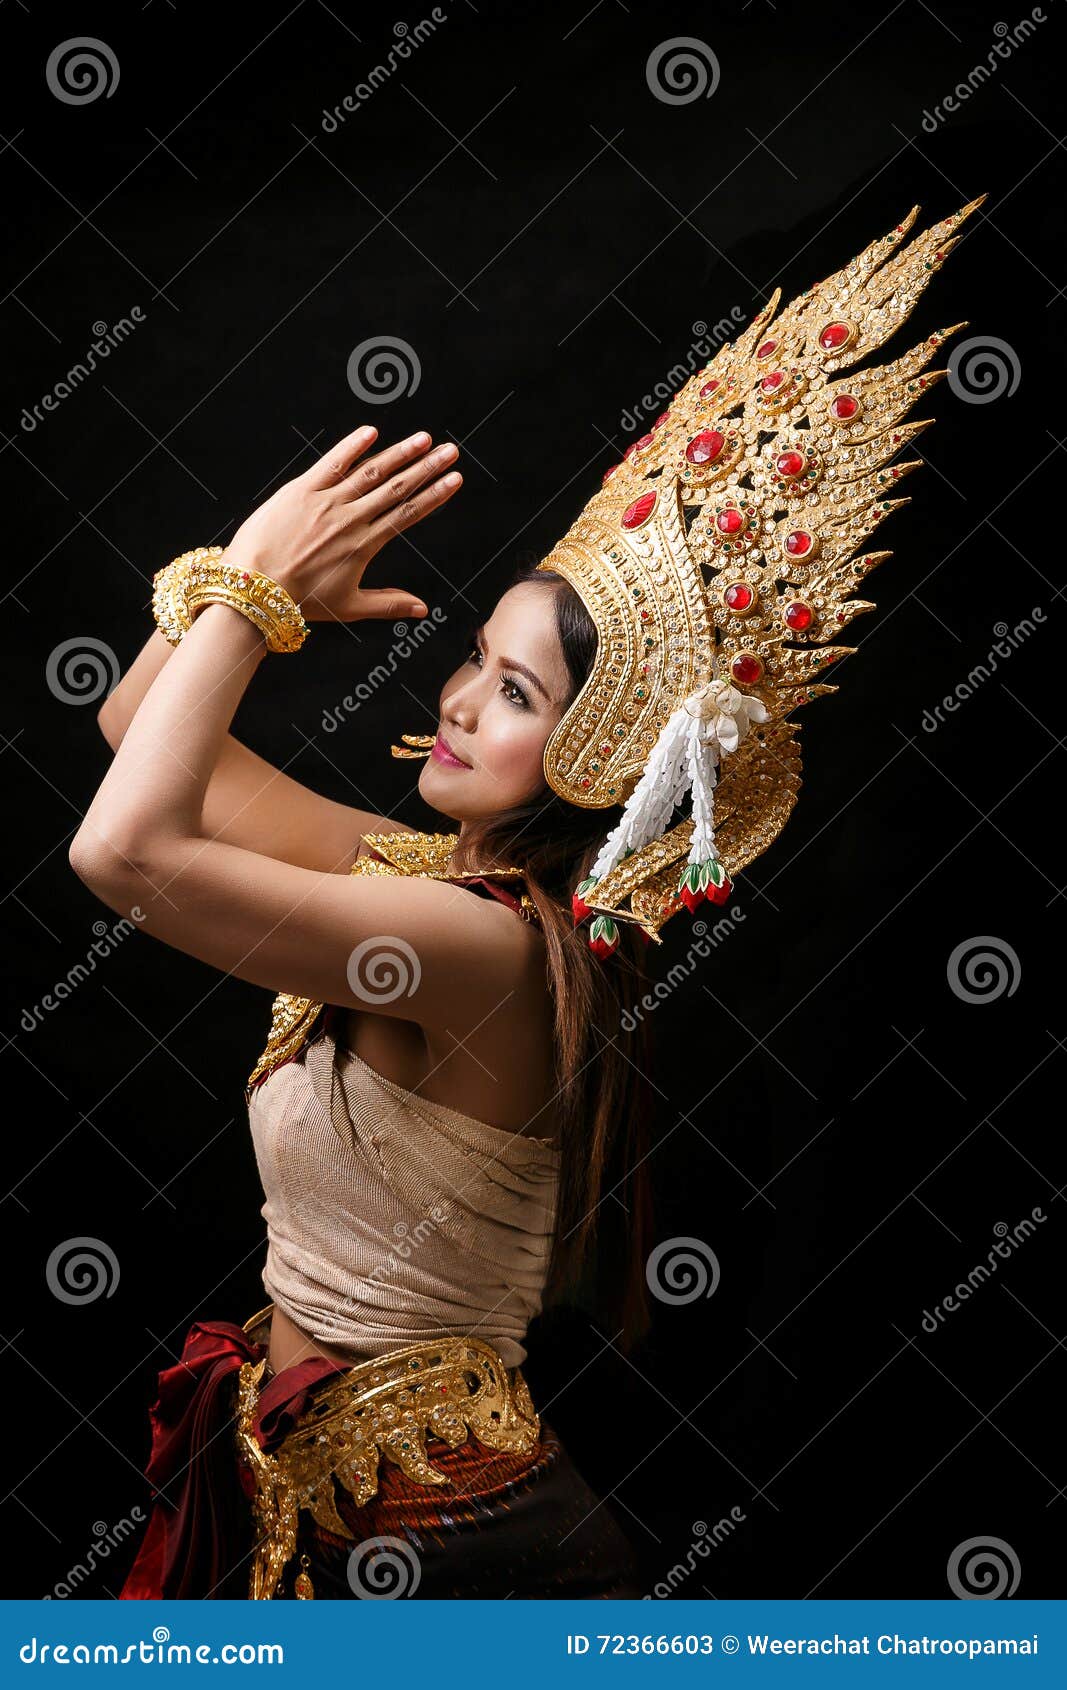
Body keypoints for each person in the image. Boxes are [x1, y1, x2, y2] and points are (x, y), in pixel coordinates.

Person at [68, 195, 979, 1600]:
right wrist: (234, 585)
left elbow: (120, 855)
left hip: (448, 1546)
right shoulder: (427, 885)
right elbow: (144, 738)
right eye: (476, 656)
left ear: (603, 756)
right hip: (333, 1493)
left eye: (514, 691)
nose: (455, 700)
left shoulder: (469, 949)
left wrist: (254, 598)